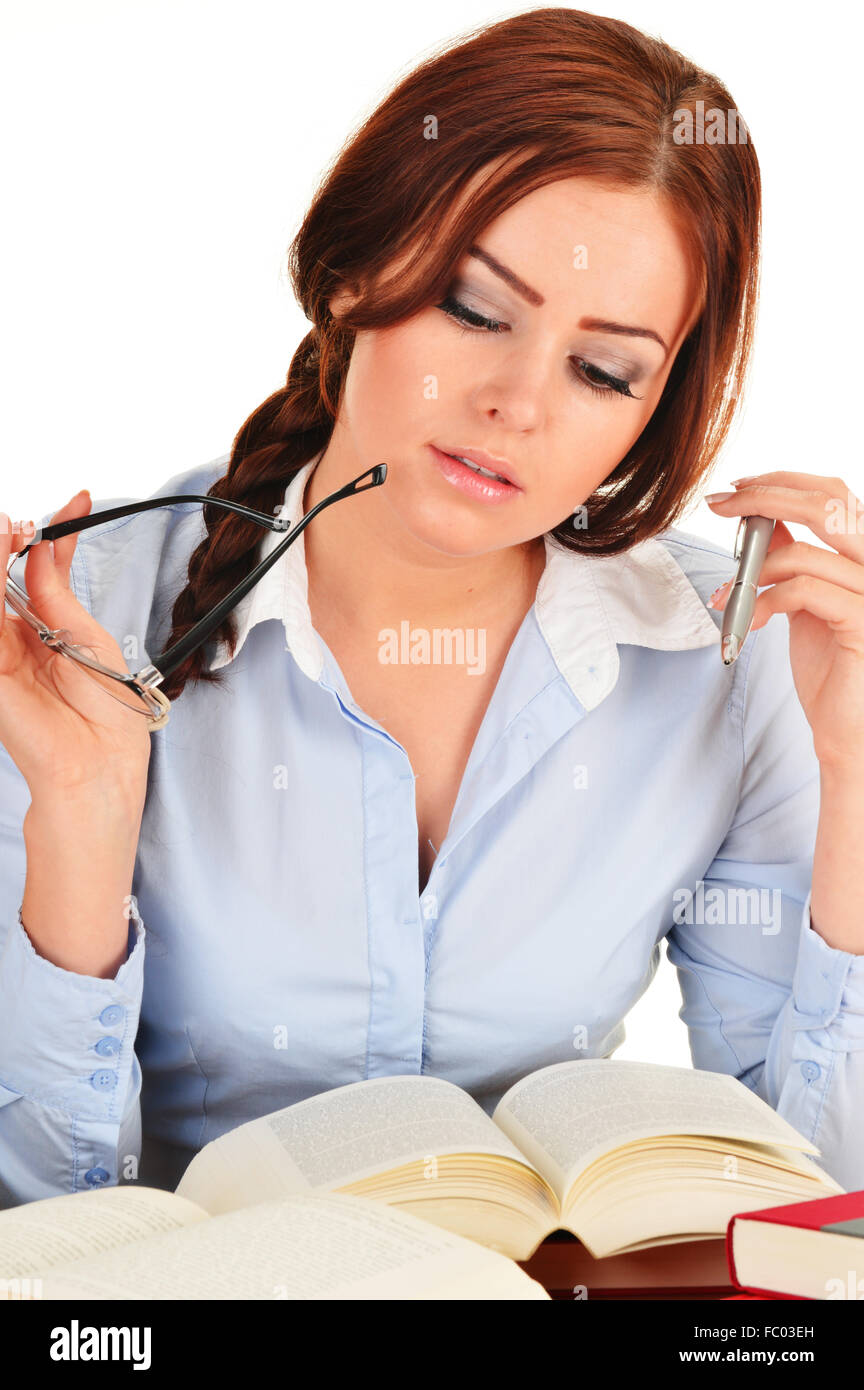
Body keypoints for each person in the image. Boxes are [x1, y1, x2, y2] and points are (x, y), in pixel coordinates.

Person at [1, 7, 862, 1209]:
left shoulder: (737, 652)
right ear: (354, 273)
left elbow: (807, 1202)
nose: (518, 401)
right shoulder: (70, 625)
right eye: (474, 308)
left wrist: (856, 779)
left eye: (603, 370)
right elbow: (36, 1235)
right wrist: (81, 828)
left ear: (651, 409)